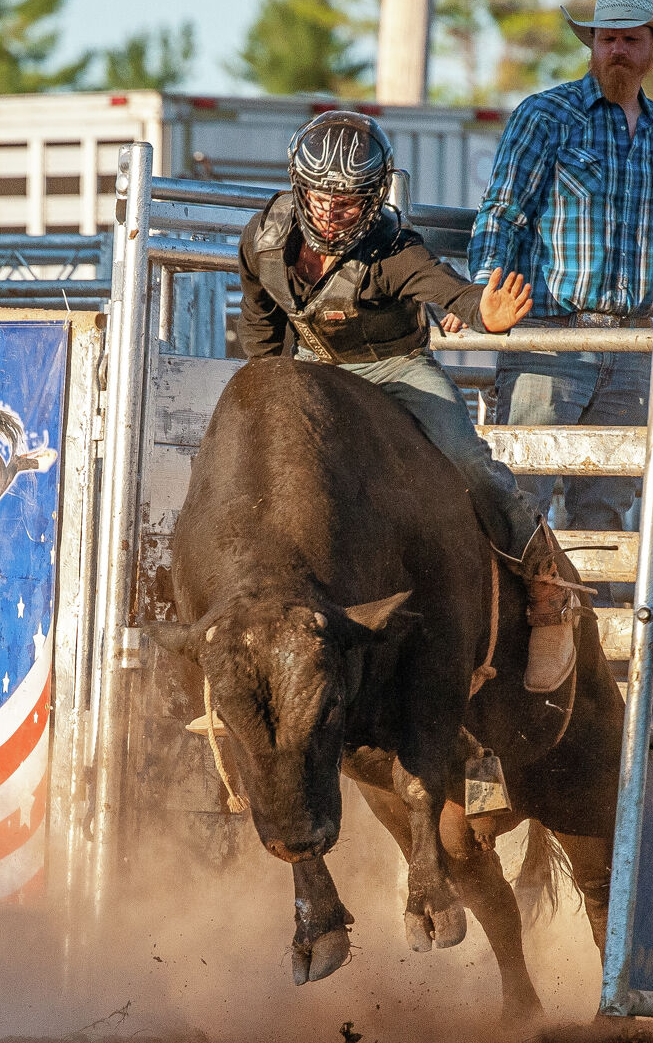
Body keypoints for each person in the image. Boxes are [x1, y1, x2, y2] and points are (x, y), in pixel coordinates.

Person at [238, 109, 579, 691]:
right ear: (298, 186)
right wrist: (265, 391)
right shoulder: (262, 241)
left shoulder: (395, 251)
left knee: (466, 461)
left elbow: (448, 289)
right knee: (255, 466)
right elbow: (261, 326)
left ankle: (546, 581)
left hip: (396, 369)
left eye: (345, 201)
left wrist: (483, 313)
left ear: (372, 199)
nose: (328, 210)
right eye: (318, 195)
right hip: (313, 372)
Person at [470, 0, 653, 533]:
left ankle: (596, 615)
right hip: (552, 335)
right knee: (519, 490)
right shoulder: (547, 116)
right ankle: (510, 617)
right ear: (592, 45)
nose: (616, 52)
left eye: (630, 40)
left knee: (607, 502)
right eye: (607, 40)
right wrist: (482, 291)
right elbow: (504, 212)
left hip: (634, 342)